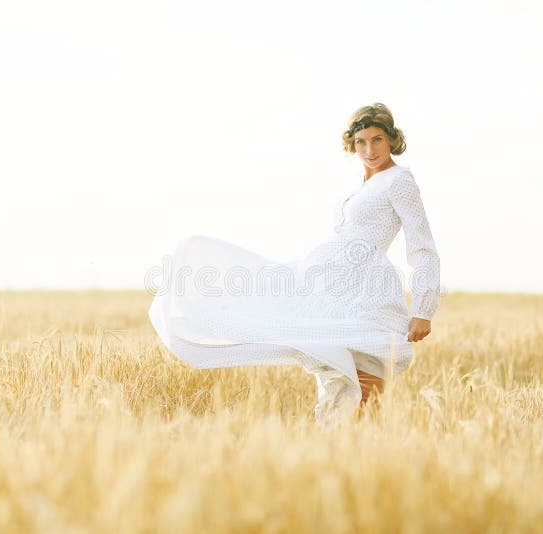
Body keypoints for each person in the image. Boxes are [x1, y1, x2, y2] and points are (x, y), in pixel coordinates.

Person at [147, 102, 440, 428]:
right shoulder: (364, 185)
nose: (369, 149)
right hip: (331, 292)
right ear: (352, 143)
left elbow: (422, 243)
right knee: (333, 372)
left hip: (366, 293)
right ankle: (332, 452)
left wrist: (424, 308)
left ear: (391, 140)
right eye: (361, 142)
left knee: (365, 377)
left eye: (377, 140)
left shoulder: (399, 180)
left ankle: (360, 451)